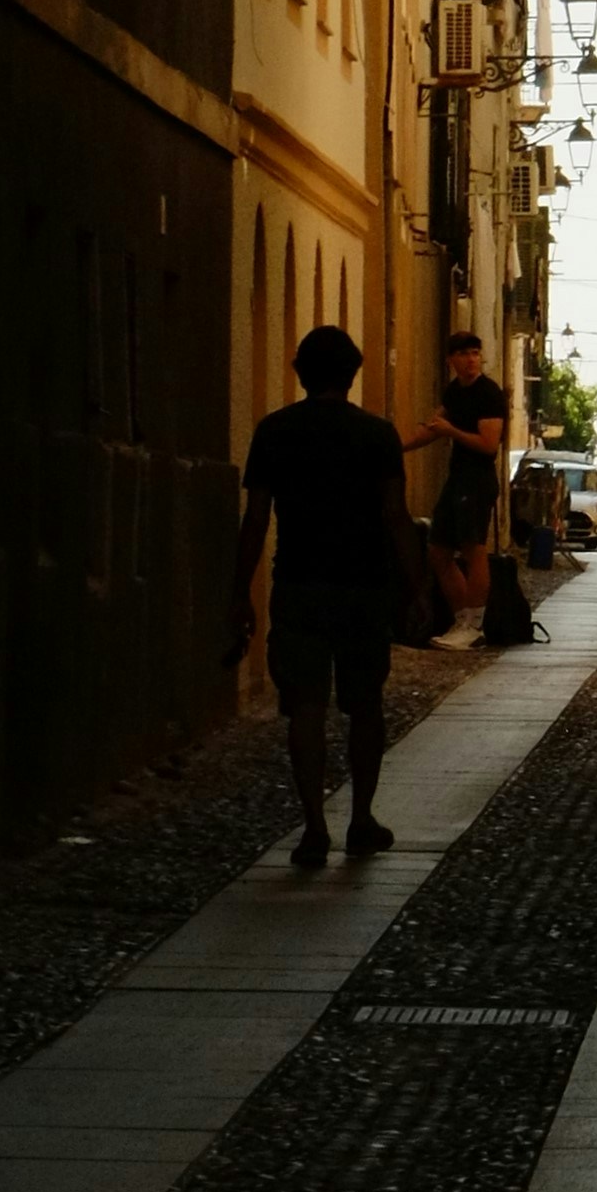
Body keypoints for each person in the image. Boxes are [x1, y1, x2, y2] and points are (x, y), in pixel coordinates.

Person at [225, 324, 436, 869]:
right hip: (364, 587)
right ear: (352, 374)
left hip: (298, 584)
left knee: (306, 709)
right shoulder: (378, 435)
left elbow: (254, 519)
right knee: (365, 706)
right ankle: (361, 819)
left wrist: (238, 591)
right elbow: (395, 517)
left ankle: (314, 827)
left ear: (299, 373)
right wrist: (416, 589)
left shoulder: (274, 432)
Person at [423, 325, 510, 637]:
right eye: (464, 354)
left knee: (473, 549)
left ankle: (474, 625)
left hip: (477, 479)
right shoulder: (454, 392)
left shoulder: (488, 394)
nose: (472, 359)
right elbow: (434, 426)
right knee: (438, 550)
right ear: (451, 360)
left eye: (475, 353)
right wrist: (395, 445)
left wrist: (452, 432)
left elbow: (488, 444)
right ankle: (462, 619)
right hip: (457, 477)